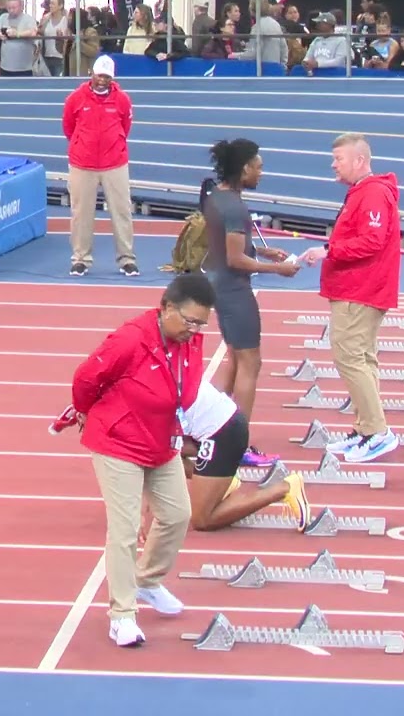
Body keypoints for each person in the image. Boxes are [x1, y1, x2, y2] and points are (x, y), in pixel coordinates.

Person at [70, 273, 213, 647]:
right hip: (117, 441)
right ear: (166, 308)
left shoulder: (191, 341)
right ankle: (122, 615)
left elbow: (184, 388)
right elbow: (86, 378)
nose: (194, 331)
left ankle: (147, 581)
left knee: (178, 514)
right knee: (125, 528)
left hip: (161, 439)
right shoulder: (131, 339)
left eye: (202, 324)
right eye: (189, 321)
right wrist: (87, 412)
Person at [299, 133, 401, 464]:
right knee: (362, 358)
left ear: (359, 160)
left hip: (360, 289)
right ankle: (366, 427)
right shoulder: (364, 192)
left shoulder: (371, 193)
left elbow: (371, 240)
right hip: (359, 287)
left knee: (350, 357)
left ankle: (376, 432)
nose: (333, 164)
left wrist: (329, 250)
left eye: (339, 158)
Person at [203, 138, 301, 467]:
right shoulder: (235, 207)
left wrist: (262, 251)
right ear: (244, 168)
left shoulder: (219, 197)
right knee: (250, 364)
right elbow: (234, 258)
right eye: (258, 167)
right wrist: (278, 268)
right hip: (233, 291)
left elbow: (227, 247)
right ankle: (236, 443)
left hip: (221, 287)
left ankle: (207, 427)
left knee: (234, 360)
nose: (261, 173)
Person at [136, 380, 311, 541]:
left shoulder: (145, 394)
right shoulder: (148, 376)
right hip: (212, 426)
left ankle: (284, 489)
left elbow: (150, 456)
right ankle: (222, 482)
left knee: (202, 519)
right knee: (156, 449)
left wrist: (140, 511)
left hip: (224, 432)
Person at [62, 54, 139, 277]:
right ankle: (80, 259)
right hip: (82, 164)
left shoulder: (122, 99)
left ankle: (127, 259)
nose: (102, 80)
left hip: (114, 163)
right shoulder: (76, 98)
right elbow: (68, 127)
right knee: (81, 214)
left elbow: (126, 126)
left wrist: (114, 145)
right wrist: (81, 145)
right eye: (99, 75)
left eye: (107, 77)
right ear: (91, 74)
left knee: (122, 211)